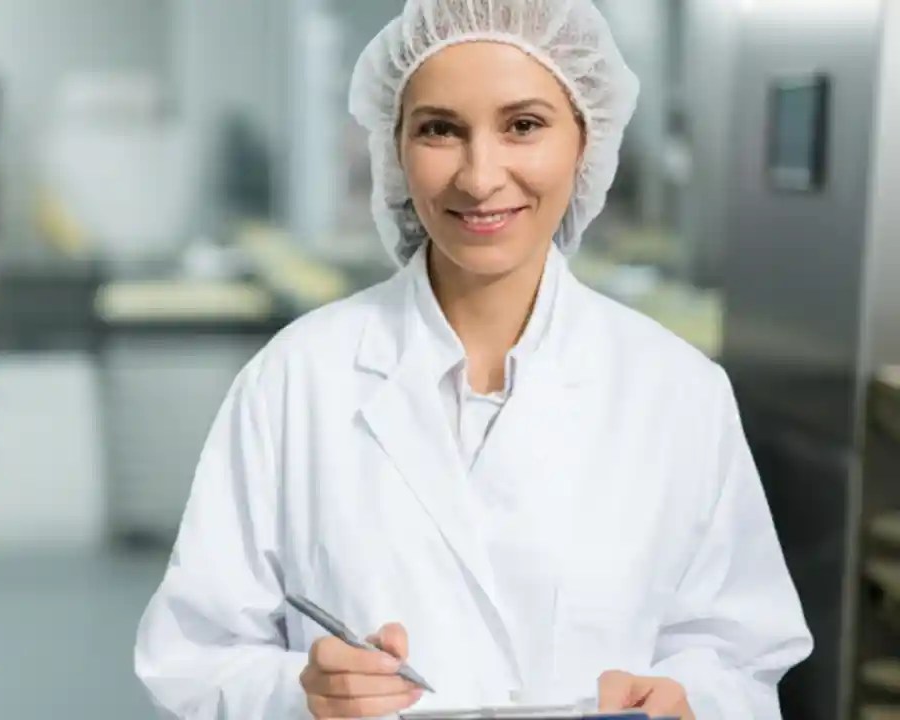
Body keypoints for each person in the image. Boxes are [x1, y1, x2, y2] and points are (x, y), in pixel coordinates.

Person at [134, 1, 812, 718]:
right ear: (394, 147)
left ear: (586, 137)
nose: (481, 176)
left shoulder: (677, 392)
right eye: (440, 130)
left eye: (523, 125)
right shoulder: (294, 381)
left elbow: (740, 655)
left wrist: (691, 701)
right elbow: (193, 658)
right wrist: (303, 696)